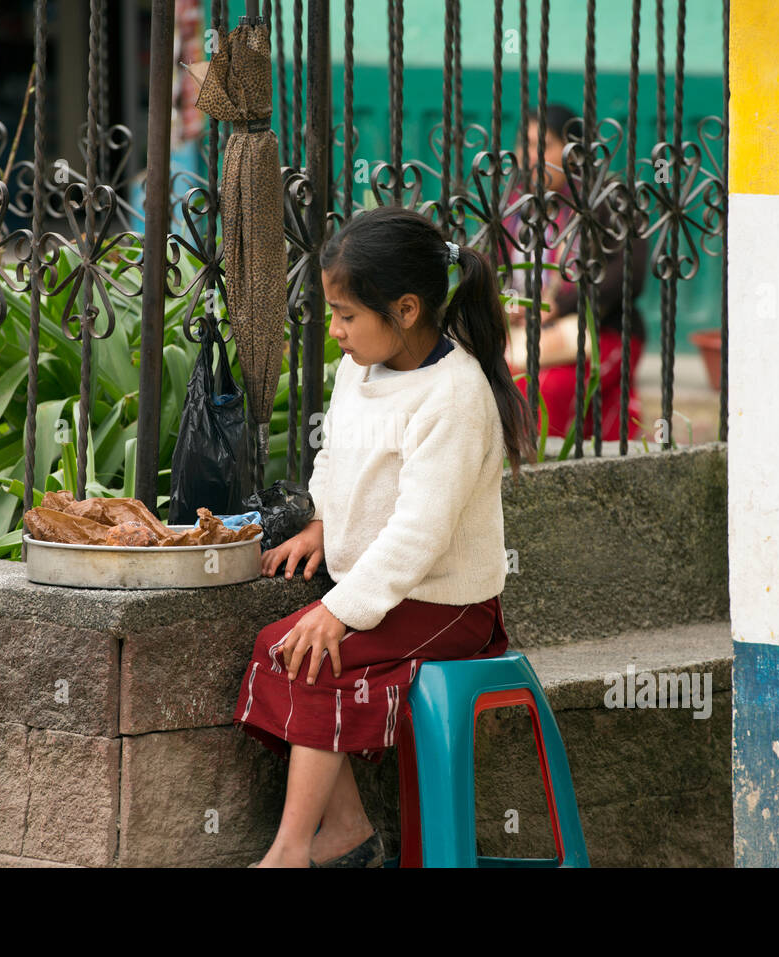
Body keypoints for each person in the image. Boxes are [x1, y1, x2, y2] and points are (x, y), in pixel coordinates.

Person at [232, 205, 536, 868]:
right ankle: (345, 834)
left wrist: (340, 611)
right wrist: (322, 522)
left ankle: (288, 853)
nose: (334, 330)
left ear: (404, 309)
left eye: (346, 314)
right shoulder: (359, 368)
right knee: (273, 645)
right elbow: (337, 457)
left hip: (449, 605)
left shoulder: (453, 396)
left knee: (314, 658)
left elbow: (420, 532)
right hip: (388, 596)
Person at [500, 103, 649, 442]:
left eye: (545, 144)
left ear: (572, 153)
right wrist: (511, 304)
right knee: (494, 381)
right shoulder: (510, 209)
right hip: (525, 335)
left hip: (597, 331)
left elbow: (629, 272)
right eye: (526, 143)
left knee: (541, 391)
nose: (532, 155)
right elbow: (491, 270)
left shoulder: (602, 203)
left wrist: (560, 305)